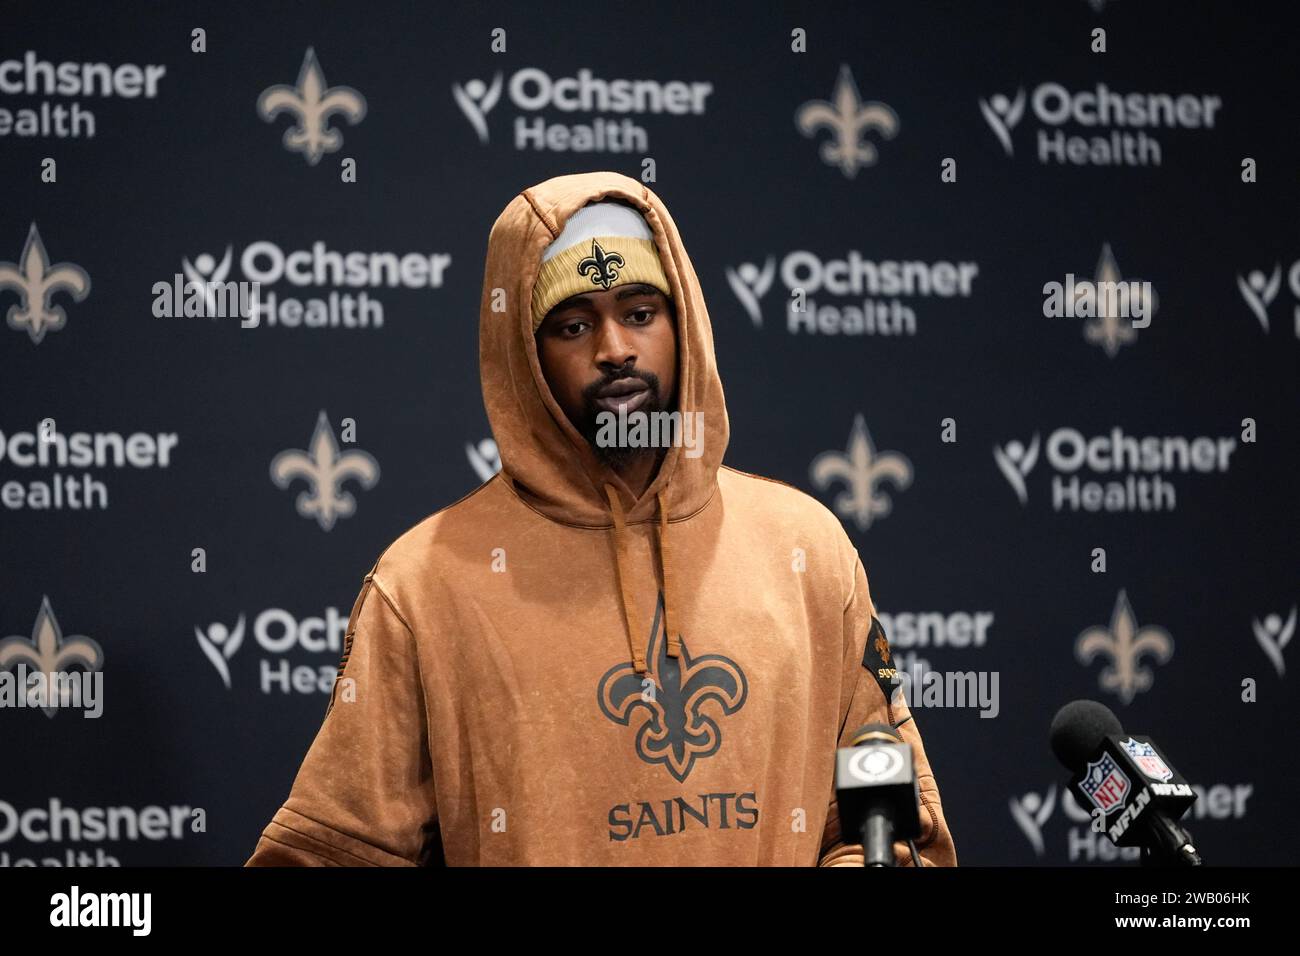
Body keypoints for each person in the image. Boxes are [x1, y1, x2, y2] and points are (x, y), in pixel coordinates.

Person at [244, 170, 957, 866]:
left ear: (685, 325)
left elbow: (885, 824)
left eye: (641, 313)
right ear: (524, 355)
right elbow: (333, 851)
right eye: (574, 324)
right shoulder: (425, 586)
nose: (614, 349)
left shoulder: (807, 549)